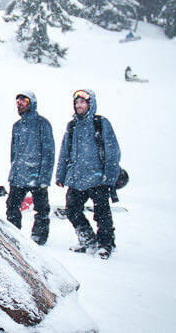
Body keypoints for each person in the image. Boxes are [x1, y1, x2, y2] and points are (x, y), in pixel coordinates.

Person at [55, 89, 121, 259]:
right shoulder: (72, 126)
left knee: (102, 214)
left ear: (90, 104)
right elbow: (65, 152)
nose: (79, 106)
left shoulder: (101, 123)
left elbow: (112, 151)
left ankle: (106, 244)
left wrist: (110, 177)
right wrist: (60, 175)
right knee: (72, 210)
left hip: (98, 178)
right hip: (77, 178)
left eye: (83, 102)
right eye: (77, 102)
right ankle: (88, 240)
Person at [5, 91, 54, 245]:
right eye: (18, 103)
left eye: (24, 102)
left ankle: (39, 237)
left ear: (32, 103)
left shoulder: (42, 124)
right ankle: (13, 234)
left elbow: (49, 152)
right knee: (12, 206)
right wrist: (13, 172)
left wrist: (44, 177)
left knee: (41, 208)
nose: (20, 105)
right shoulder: (17, 126)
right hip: (19, 174)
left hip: (36, 175)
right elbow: (14, 152)